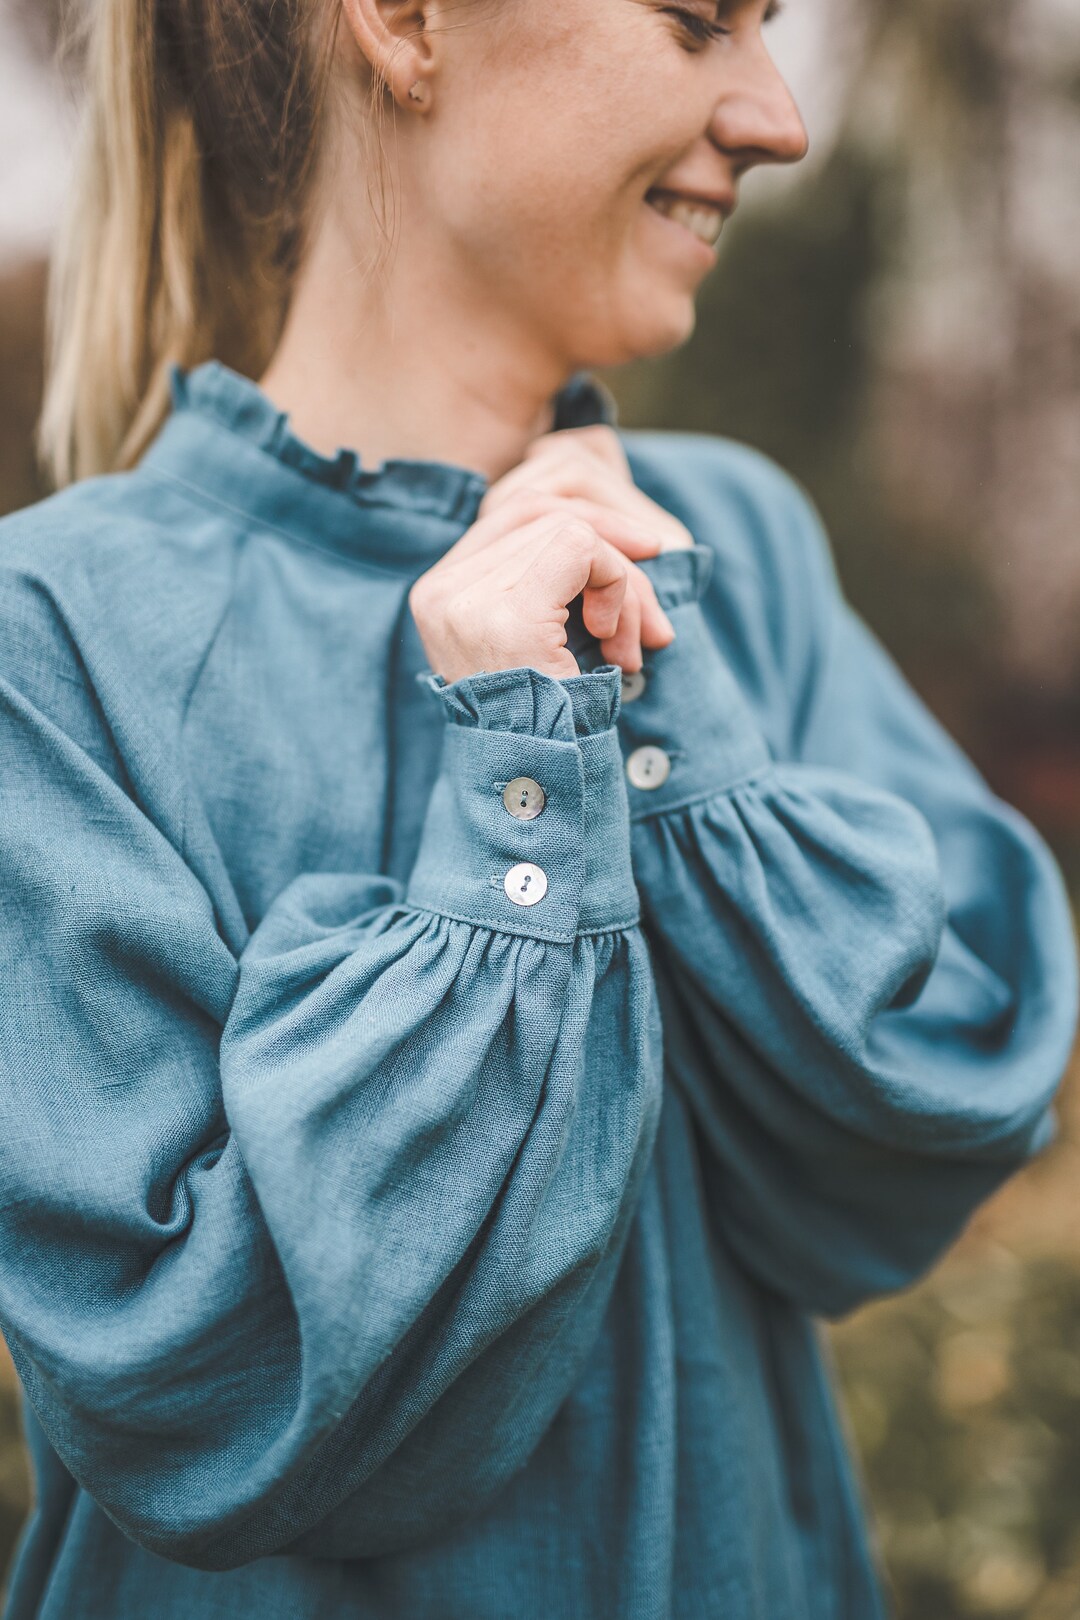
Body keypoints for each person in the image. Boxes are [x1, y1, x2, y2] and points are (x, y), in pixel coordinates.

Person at [1, 0, 1076, 1615]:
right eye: (704, 20)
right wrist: (523, 785)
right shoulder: (54, 638)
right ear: (409, 23)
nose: (780, 119)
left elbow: (926, 1127)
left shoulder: (741, 557)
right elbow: (193, 1398)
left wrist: (666, 722)